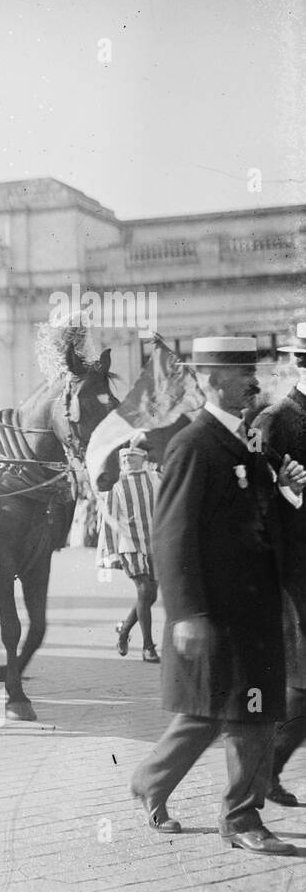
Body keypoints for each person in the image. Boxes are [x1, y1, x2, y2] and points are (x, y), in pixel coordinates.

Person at [131, 336, 306, 855]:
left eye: (251, 369)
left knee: (219, 713)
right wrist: (185, 614)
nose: (252, 380)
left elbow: (267, 520)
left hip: (257, 608)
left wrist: (286, 490)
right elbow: (171, 535)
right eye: (239, 373)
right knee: (243, 713)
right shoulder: (194, 445)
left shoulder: (251, 443)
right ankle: (242, 818)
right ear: (210, 381)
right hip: (218, 610)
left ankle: (149, 781)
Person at [252, 320, 306, 806]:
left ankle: (266, 771)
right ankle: (263, 771)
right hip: (296, 572)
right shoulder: (277, 419)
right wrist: (292, 491)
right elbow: (258, 503)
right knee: (303, 686)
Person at [101, 434, 161, 662]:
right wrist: (112, 553)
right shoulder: (115, 485)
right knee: (145, 592)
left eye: (132, 457)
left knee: (150, 596)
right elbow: (109, 520)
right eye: (124, 458)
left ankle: (124, 630)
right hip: (130, 545)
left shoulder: (155, 479)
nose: (127, 461)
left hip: (154, 544)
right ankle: (148, 647)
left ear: (143, 458)